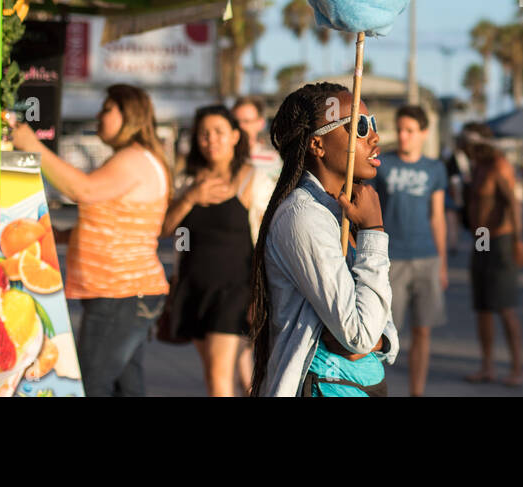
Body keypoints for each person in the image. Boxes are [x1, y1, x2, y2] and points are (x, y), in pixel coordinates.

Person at [8, 85, 169, 397]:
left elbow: (83, 191)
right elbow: (119, 224)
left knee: (94, 385)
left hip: (121, 293)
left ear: (130, 115)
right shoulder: (136, 159)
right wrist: (61, 235)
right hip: (126, 294)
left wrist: (32, 146)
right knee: (126, 388)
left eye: (107, 109)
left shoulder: (134, 158)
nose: (99, 115)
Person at [249, 83, 399, 397]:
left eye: (372, 125)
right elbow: (359, 336)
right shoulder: (303, 216)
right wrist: (374, 232)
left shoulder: (342, 210)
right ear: (317, 145)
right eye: (359, 126)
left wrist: (382, 341)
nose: (374, 137)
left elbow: (379, 327)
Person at [162, 104, 257, 396]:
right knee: (217, 376)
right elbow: (169, 231)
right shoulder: (186, 181)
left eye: (218, 132)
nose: (211, 140)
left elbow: (269, 241)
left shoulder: (252, 180)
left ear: (235, 136)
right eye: (204, 134)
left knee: (219, 378)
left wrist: (263, 294)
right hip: (195, 290)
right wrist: (190, 198)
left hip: (235, 293)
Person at [372, 104, 448, 397]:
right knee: (382, 332)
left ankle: (417, 391)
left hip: (426, 256)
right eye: (400, 130)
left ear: (423, 133)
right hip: (391, 260)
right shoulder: (383, 164)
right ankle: (375, 389)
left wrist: (441, 263)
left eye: (410, 131)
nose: (403, 136)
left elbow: (438, 216)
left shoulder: (435, 168)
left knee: (423, 330)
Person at [463, 126, 523, 386]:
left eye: (466, 142)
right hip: (481, 241)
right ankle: (487, 366)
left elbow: (512, 202)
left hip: (499, 239)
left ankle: (517, 369)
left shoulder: (499, 166)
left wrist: (518, 241)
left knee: (505, 307)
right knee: (483, 307)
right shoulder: (477, 167)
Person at [230, 95, 282, 390]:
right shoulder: (222, 161)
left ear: (260, 123)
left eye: (247, 121)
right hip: (233, 259)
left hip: (264, 253)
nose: (241, 127)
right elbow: (185, 231)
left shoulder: (273, 160)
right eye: (236, 121)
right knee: (237, 334)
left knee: (259, 332)